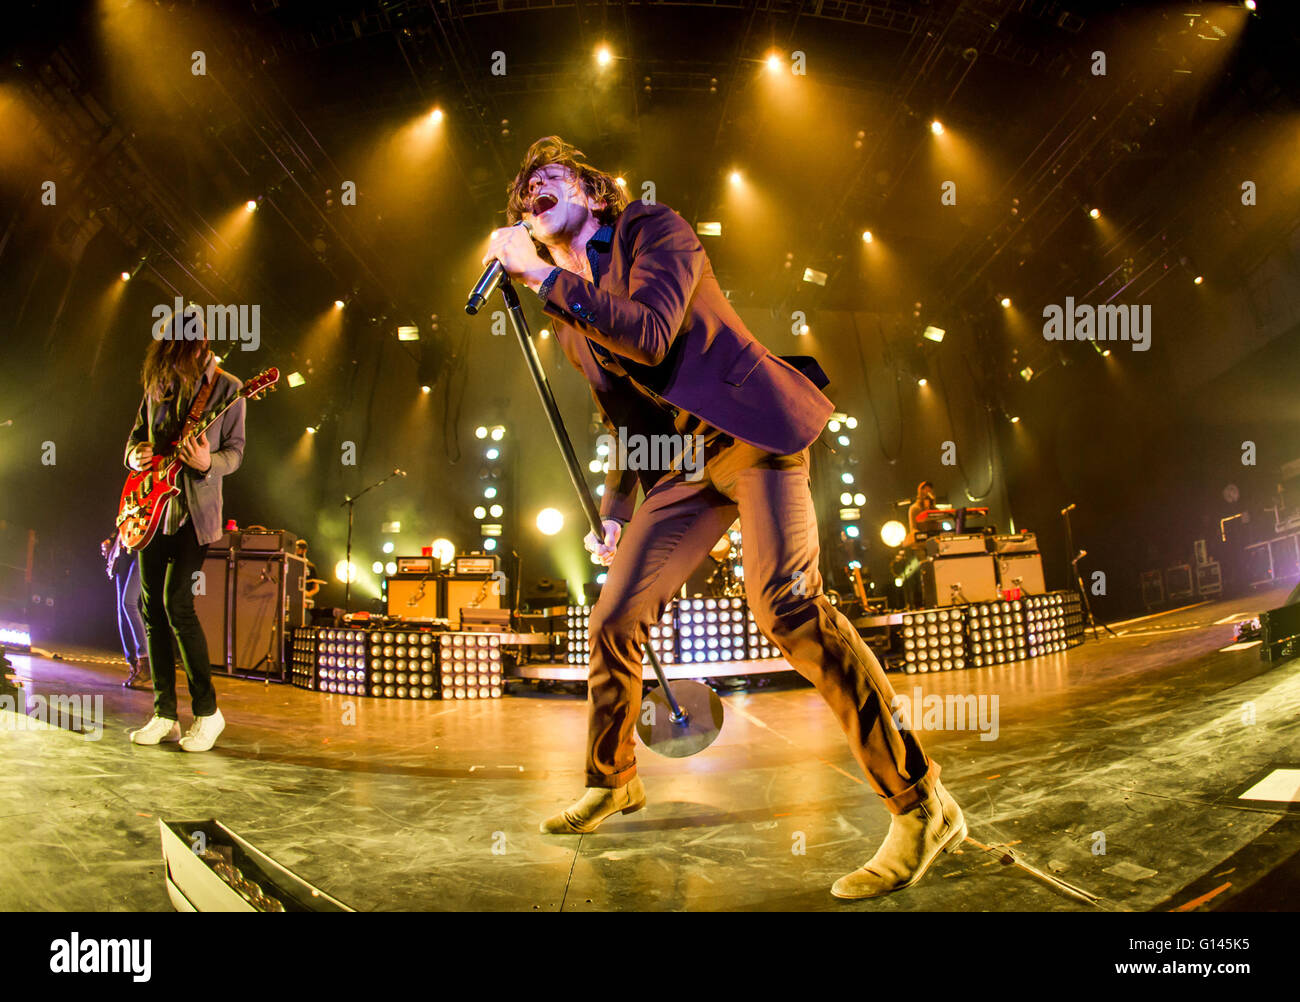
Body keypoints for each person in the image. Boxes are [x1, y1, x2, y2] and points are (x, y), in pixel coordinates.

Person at [482, 136, 965, 899]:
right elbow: (624, 419)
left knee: (787, 606)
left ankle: (919, 801)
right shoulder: (568, 320)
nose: (530, 190)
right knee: (614, 616)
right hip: (681, 464)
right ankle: (614, 779)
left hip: (749, 427)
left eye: (550, 178)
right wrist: (614, 512)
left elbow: (648, 332)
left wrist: (541, 275)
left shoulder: (651, 227)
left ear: (593, 195)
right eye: (522, 195)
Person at [124, 306, 245, 752]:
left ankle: (209, 714)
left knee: (178, 606)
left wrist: (207, 462)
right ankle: (163, 714)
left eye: (181, 352)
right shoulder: (160, 382)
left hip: (193, 515)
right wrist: (135, 453)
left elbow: (235, 452)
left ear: (198, 346)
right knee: (149, 606)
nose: (175, 362)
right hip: (150, 511)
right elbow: (137, 433)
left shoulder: (229, 389)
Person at [100, 533, 150, 688]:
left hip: (144, 547)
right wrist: (111, 538)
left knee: (128, 603)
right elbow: (124, 520)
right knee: (122, 610)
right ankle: (134, 664)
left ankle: (145, 661)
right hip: (124, 549)